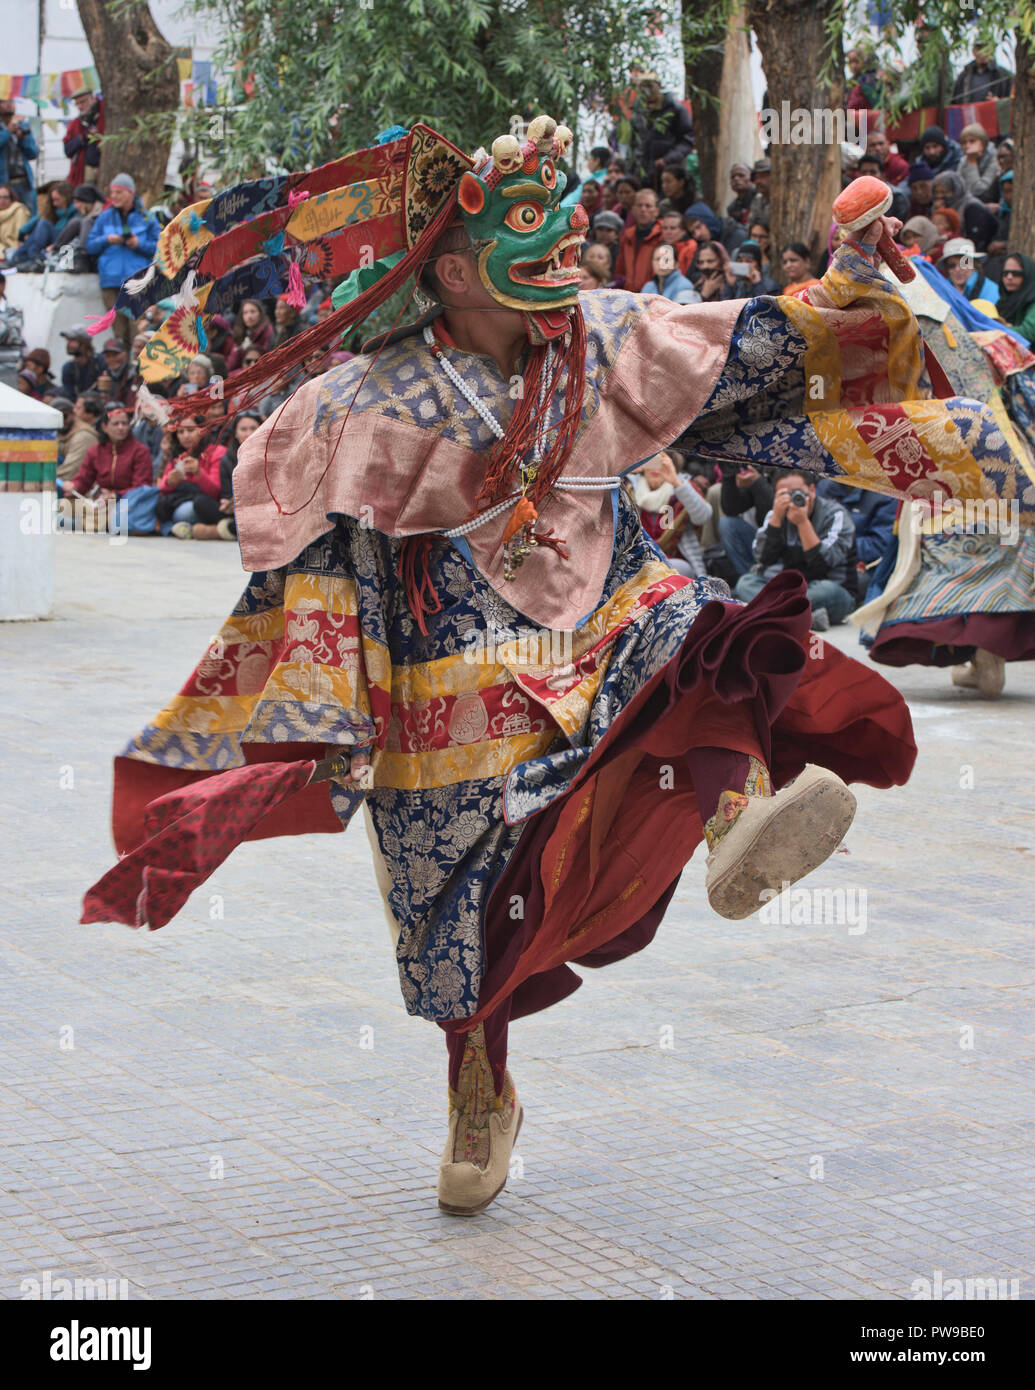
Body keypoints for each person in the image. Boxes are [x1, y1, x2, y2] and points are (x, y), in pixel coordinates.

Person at [92, 114, 1035, 1220]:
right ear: (450, 268)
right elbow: (312, 551)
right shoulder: (359, 405)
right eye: (531, 226)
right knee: (461, 920)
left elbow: (750, 346)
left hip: (601, 611)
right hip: (442, 676)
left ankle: (739, 812)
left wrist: (846, 278)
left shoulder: (602, 334)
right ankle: (479, 1091)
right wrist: (323, 710)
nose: (568, 240)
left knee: (691, 627)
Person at [736, 470, 856, 630]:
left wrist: (803, 523)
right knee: (745, 583)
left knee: (827, 591)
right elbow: (763, 559)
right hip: (794, 590)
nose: (793, 499)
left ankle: (774, 615)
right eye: (785, 494)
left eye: (799, 493)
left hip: (830, 588)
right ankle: (798, 618)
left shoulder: (835, 514)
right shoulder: (775, 514)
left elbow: (824, 564)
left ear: (812, 490)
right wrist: (776, 519)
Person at [86, 174, 161, 348]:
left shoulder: (147, 217)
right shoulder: (104, 217)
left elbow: (160, 247)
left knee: (137, 329)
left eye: (119, 192)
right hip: (110, 281)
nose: (114, 196)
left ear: (130, 193)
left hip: (137, 281)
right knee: (117, 333)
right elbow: (90, 245)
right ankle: (124, 369)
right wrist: (107, 239)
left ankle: (138, 368)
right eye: (112, 192)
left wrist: (138, 244)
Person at [630, 448, 712, 576]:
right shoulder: (629, 490)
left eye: (663, 465)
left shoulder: (683, 488)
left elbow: (703, 517)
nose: (656, 469)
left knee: (667, 569)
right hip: (638, 560)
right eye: (652, 463)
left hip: (676, 564)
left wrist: (676, 483)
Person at [59, 401, 153, 502]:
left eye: (124, 423)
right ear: (104, 427)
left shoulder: (140, 451)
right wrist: (74, 487)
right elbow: (84, 478)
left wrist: (115, 496)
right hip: (102, 502)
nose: (120, 427)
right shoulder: (96, 451)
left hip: (130, 504)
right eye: (115, 424)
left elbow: (141, 487)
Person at [155, 416, 230, 538]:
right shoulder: (177, 455)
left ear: (202, 431)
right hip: (180, 503)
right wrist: (170, 482)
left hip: (209, 504)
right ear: (176, 436)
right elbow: (162, 488)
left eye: (190, 430)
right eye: (181, 432)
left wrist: (199, 474)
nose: (185, 436)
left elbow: (216, 492)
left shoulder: (217, 452)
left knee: (188, 509)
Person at [632, 73, 694, 185]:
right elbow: (632, 142)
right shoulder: (637, 112)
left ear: (659, 86)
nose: (647, 91)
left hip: (669, 173)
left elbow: (687, 141)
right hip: (642, 173)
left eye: (650, 86)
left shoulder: (676, 110)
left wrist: (667, 159)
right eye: (642, 87)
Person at [716, 463, 774, 577]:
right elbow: (731, 509)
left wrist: (758, 483)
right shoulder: (755, 464)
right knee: (727, 524)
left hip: (784, 544)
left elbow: (769, 521)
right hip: (757, 541)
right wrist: (729, 474)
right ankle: (750, 579)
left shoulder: (788, 470)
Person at [4, 181, 76, 267]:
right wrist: (21, 235)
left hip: (64, 246)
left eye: (57, 200)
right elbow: (32, 223)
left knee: (43, 224)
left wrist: (55, 246)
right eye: (53, 200)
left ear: (67, 198)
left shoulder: (75, 213)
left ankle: (32, 257)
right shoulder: (54, 211)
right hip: (54, 244)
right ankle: (18, 257)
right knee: (38, 228)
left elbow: (72, 237)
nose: (54, 204)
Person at [931, 171, 998, 253]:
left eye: (944, 192)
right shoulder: (940, 207)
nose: (940, 196)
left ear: (956, 190)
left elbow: (976, 242)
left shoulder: (972, 207)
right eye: (936, 193)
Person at [613, 186, 662, 292]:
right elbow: (620, 270)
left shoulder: (662, 235)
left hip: (653, 294)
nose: (643, 209)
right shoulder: (627, 235)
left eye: (648, 206)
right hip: (629, 295)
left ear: (656, 211)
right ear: (633, 209)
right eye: (639, 205)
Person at [0, 103, 38, 214]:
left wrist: (23, 139)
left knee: (29, 214)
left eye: (11, 102)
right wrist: (8, 132)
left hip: (24, 182)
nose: (9, 106)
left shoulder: (22, 125)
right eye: (4, 102)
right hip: (3, 185)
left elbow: (33, 153)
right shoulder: (6, 130)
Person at [64, 86, 105, 187]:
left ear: (93, 98)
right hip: (86, 170)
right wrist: (83, 137)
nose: (80, 106)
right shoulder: (76, 124)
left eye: (83, 102)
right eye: (77, 103)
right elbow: (68, 150)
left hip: (104, 166)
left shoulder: (105, 116)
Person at [58, 392, 103, 482]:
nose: (74, 411)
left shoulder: (86, 436)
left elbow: (71, 471)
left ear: (90, 413)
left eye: (78, 408)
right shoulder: (72, 429)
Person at [938, 238, 998, 304]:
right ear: (947, 268)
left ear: (974, 264)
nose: (957, 269)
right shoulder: (941, 288)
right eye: (952, 265)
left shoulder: (990, 289)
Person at [957, 124, 999, 203]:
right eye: (964, 142)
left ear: (983, 143)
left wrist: (972, 162)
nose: (967, 146)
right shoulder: (963, 161)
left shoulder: (994, 159)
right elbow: (958, 189)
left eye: (972, 141)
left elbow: (978, 190)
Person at [998, 255, 1035, 342]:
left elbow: (1030, 332)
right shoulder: (1003, 301)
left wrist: (999, 330)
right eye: (1005, 273)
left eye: (1016, 273)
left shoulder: (1032, 299)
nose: (1009, 277)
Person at [94, 337, 137, 409]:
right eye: (108, 356)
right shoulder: (106, 375)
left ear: (125, 354)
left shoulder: (135, 374)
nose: (111, 359)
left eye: (115, 355)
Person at [60, 326, 103, 397]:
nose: (68, 344)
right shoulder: (68, 368)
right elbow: (69, 396)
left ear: (84, 342)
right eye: (67, 340)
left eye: (72, 340)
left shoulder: (100, 362)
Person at [658, 209, 696, 276]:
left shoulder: (691, 247)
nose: (668, 232)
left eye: (673, 228)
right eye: (665, 228)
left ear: (683, 231)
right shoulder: (663, 248)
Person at [0, 184, 28, 251]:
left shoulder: (19, 211)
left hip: (13, 249)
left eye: (5, 197)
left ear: (11, 199)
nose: (2, 200)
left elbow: (20, 237)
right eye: (0, 197)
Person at [747, 159, 770, 228]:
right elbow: (751, 224)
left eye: (762, 176)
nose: (757, 181)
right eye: (755, 178)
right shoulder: (758, 199)